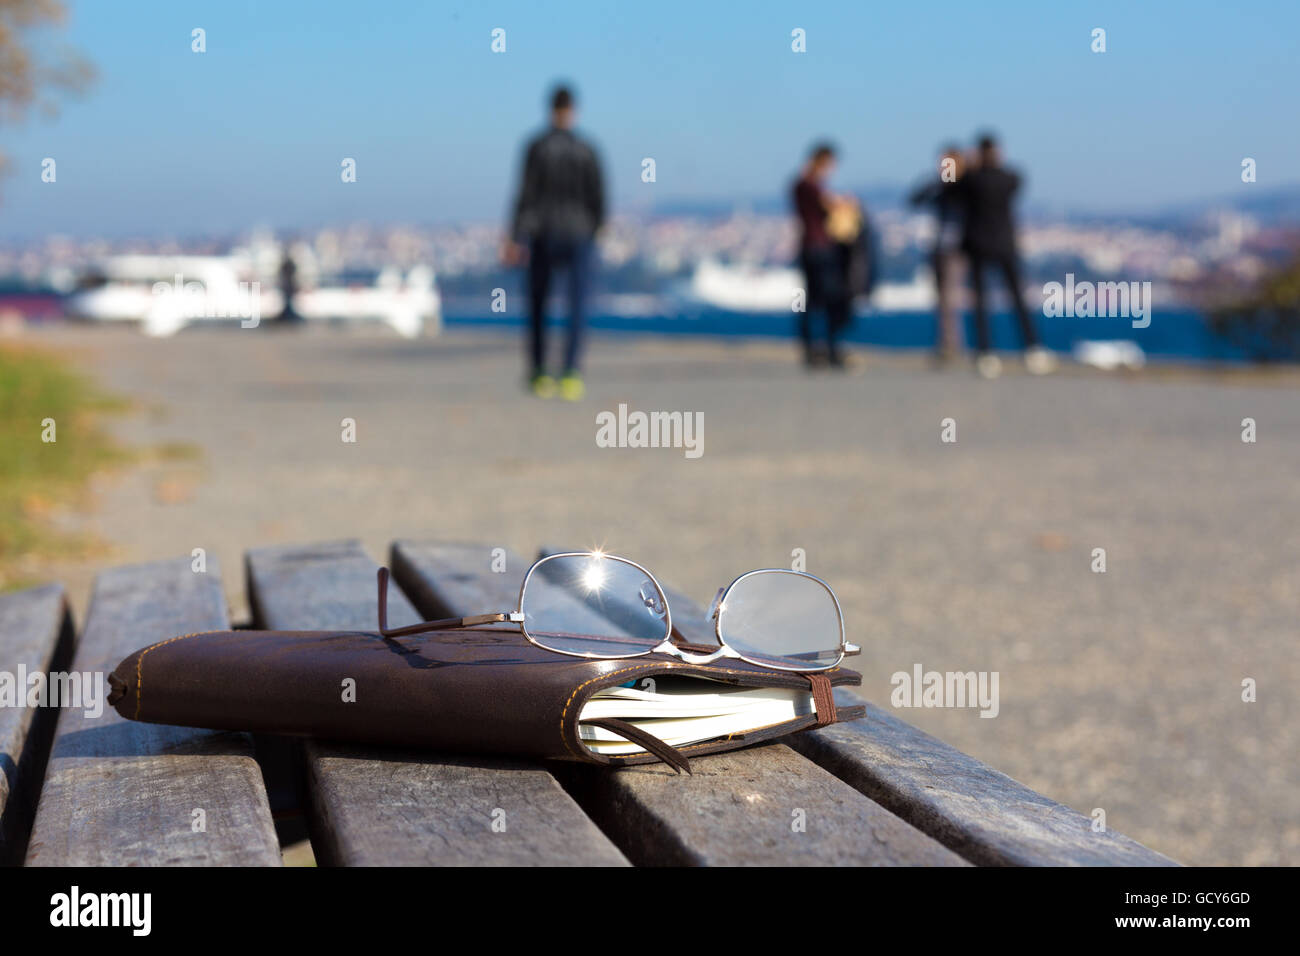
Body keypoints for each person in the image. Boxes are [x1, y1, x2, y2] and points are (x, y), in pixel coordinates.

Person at [503, 84, 605, 401]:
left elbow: (525, 195)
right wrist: (596, 228)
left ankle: (539, 372)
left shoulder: (536, 147)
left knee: (538, 305)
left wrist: (515, 236)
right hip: (578, 234)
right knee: (576, 306)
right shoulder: (587, 150)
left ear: (550, 109)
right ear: (573, 110)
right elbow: (598, 197)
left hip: (543, 233)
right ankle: (571, 372)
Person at [957, 133, 1055, 378]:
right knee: (1017, 300)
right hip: (1004, 245)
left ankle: (985, 353)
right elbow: (1016, 182)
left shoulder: (971, 179)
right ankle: (1033, 349)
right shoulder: (1007, 178)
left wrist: (968, 165)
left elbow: (952, 189)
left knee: (980, 302)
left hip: (978, 245)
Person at [792, 142, 858, 369]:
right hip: (820, 249)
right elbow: (829, 206)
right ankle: (828, 348)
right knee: (828, 300)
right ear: (823, 161)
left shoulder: (802, 184)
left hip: (807, 248)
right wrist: (844, 205)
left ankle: (811, 349)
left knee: (807, 300)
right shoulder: (809, 185)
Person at [909, 144, 966, 362]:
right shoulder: (939, 187)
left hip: (958, 248)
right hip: (940, 246)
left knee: (950, 296)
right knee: (942, 297)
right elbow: (915, 199)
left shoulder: (965, 186)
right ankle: (946, 343)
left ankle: (952, 345)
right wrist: (938, 182)